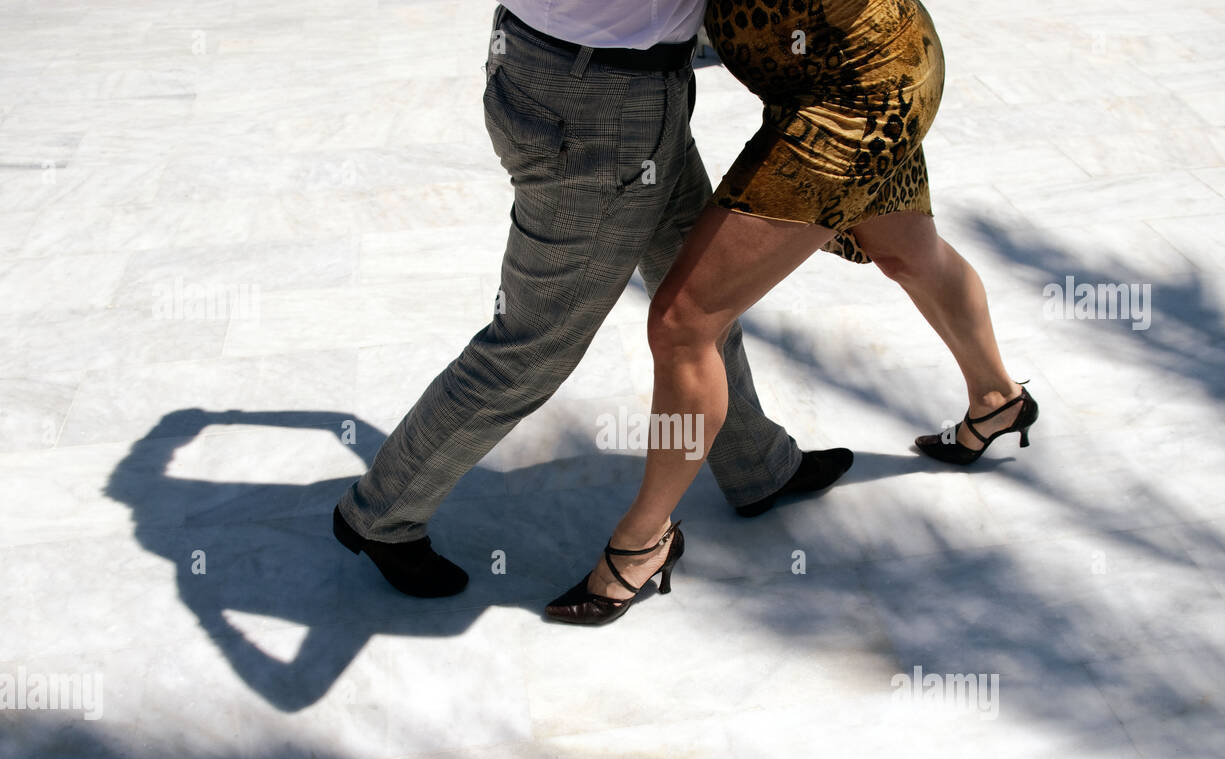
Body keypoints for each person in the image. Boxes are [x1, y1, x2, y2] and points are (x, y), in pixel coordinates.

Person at [333, 1, 856, 598]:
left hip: (599, 78)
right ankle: (380, 514)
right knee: (531, 346)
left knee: (700, 302)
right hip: (597, 106)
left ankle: (757, 465)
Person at [546, 0, 1038, 625]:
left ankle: (642, 542)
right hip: (836, 72)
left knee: (681, 322)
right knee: (908, 255)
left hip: (860, 91)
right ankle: (999, 400)